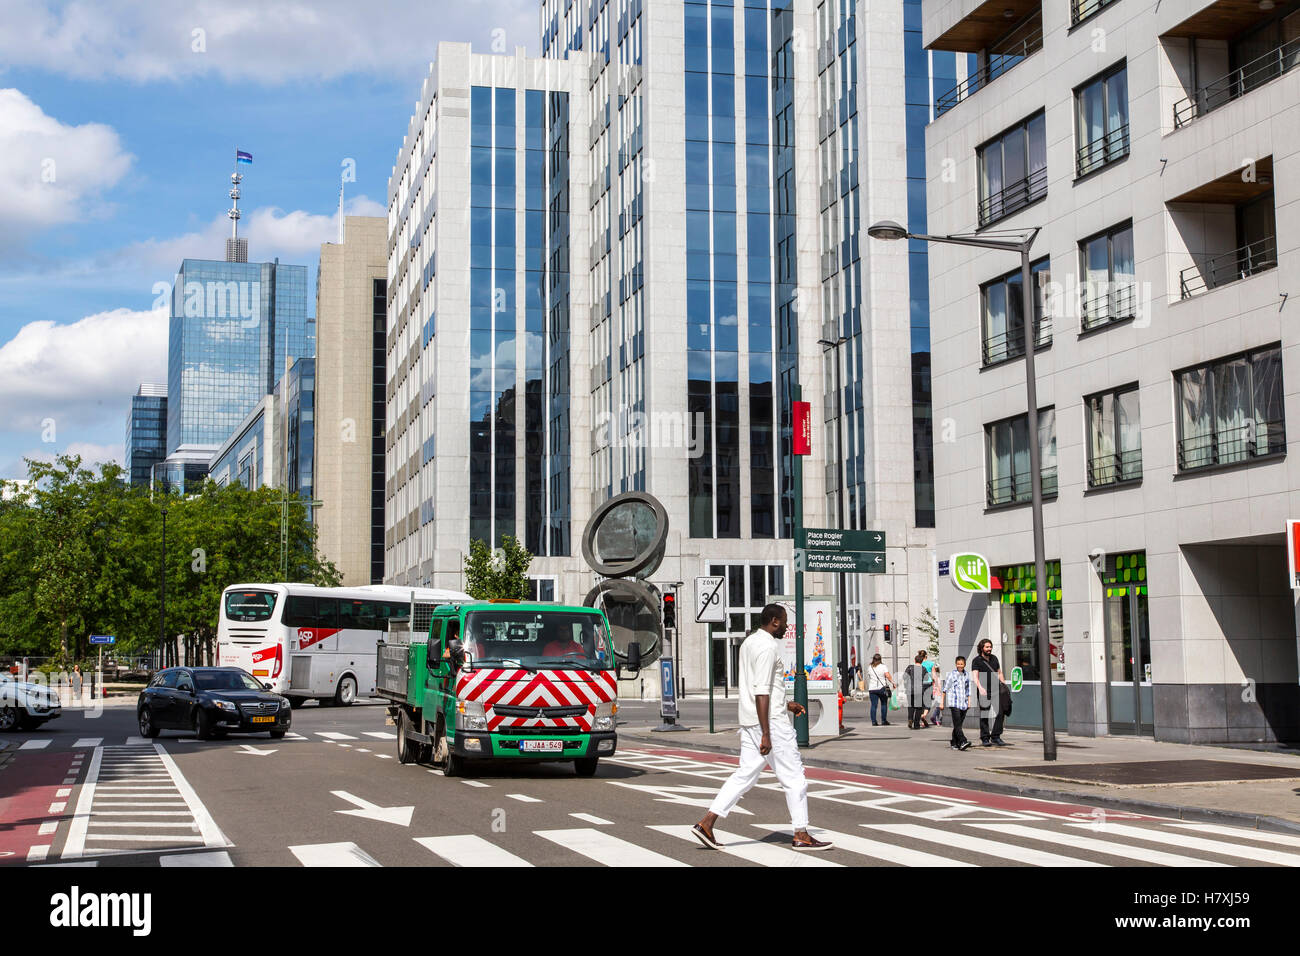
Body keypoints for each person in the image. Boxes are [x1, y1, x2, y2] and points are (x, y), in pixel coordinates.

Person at [693, 604, 832, 852]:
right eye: (785, 621)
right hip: (771, 724)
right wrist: (767, 733)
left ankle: (706, 823)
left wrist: (786, 703)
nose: (787, 626)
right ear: (775, 621)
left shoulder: (749, 643)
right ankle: (801, 833)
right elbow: (761, 691)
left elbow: (761, 685)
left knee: (744, 775)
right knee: (794, 778)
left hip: (750, 721)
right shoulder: (768, 647)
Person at [972, 638, 1008, 747]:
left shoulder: (994, 658)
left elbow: (999, 673)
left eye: (990, 647)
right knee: (984, 715)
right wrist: (980, 688)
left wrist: (1004, 685)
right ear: (981, 648)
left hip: (996, 689)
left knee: (1001, 713)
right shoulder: (977, 660)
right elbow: (975, 677)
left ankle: (996, 736)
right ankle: (985, 737)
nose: (989, 649)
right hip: (984, 691)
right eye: (987, 647)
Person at [942, 657, 973, 751]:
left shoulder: (966, 675)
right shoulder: (952, 675)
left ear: (964, 665)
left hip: (963, 703)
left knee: (958, 724)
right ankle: (963, 741)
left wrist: (969, 701)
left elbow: (968, 689)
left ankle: (954, 742)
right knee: (958, 724)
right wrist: (941, 703)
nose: (959, 666)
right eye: (958, 664)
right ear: (956, 664)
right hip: (954, 703)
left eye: (961, 664)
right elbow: (945, 689)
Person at [865, 653, 894, 726]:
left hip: (872, 688)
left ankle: (874, 722)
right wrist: (893, 683)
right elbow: (887, 676)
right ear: (880, 659)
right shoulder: (883, 666)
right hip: (882, 688)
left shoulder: (870, 667)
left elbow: (869, 676)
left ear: (873, 659)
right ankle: (884, 721)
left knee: (873, 705)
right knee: (884, 704)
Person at [903, 653, 929, 729]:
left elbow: (904, 676)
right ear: (922, 661)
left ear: (915, 660)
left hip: (909, 689)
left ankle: (910, 719)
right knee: (919, 707)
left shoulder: (910, 667)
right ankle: (916, 724)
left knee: (911, 706)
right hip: (919, 690)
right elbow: (927, 678)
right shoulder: (923, 669)